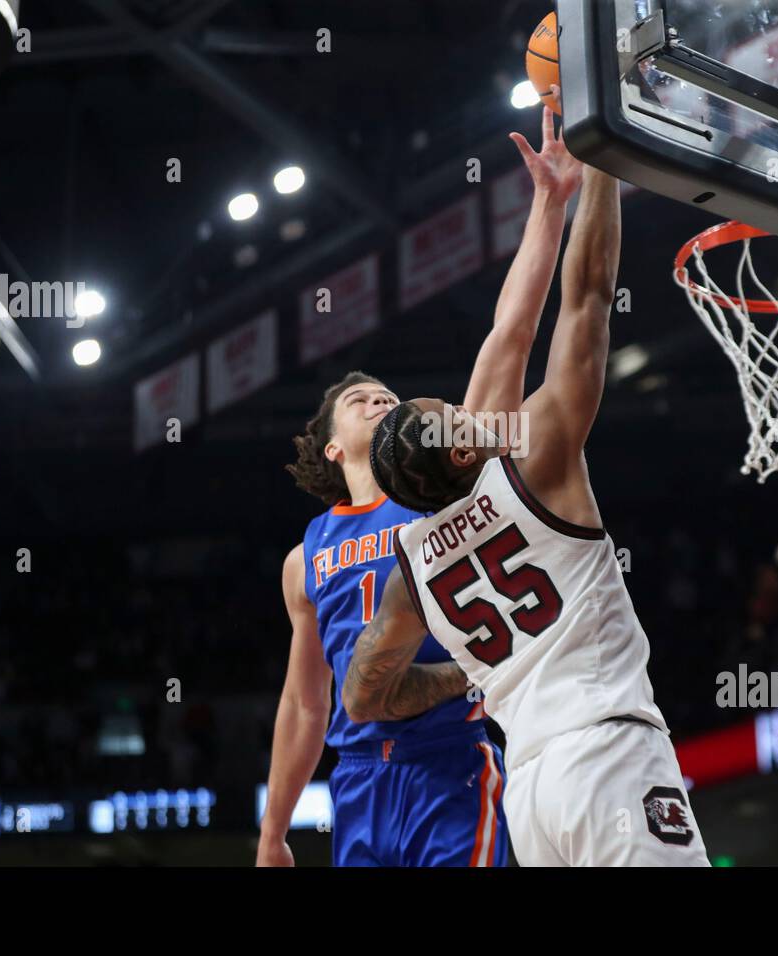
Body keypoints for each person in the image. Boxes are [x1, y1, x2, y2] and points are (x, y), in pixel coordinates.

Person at [343, 165, 711, 866]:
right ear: (455, 453)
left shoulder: (412, 567)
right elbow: (590, 299)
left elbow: (363, 695)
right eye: (452, 414)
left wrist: (470, 673)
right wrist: (605, 158)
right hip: (606, 748)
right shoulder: (531, 462)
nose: (464, 409)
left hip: (531, 792)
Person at [257, 102, 583, 866]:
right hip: (360, 785)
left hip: (451, 758)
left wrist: (549, 205)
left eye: (388, 395)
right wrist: (273, 831)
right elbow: (307, 703)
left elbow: (510, 338)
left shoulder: (443, 483)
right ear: (333, 447)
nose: (380, 397)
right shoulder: (306, 558)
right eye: (359, 398)